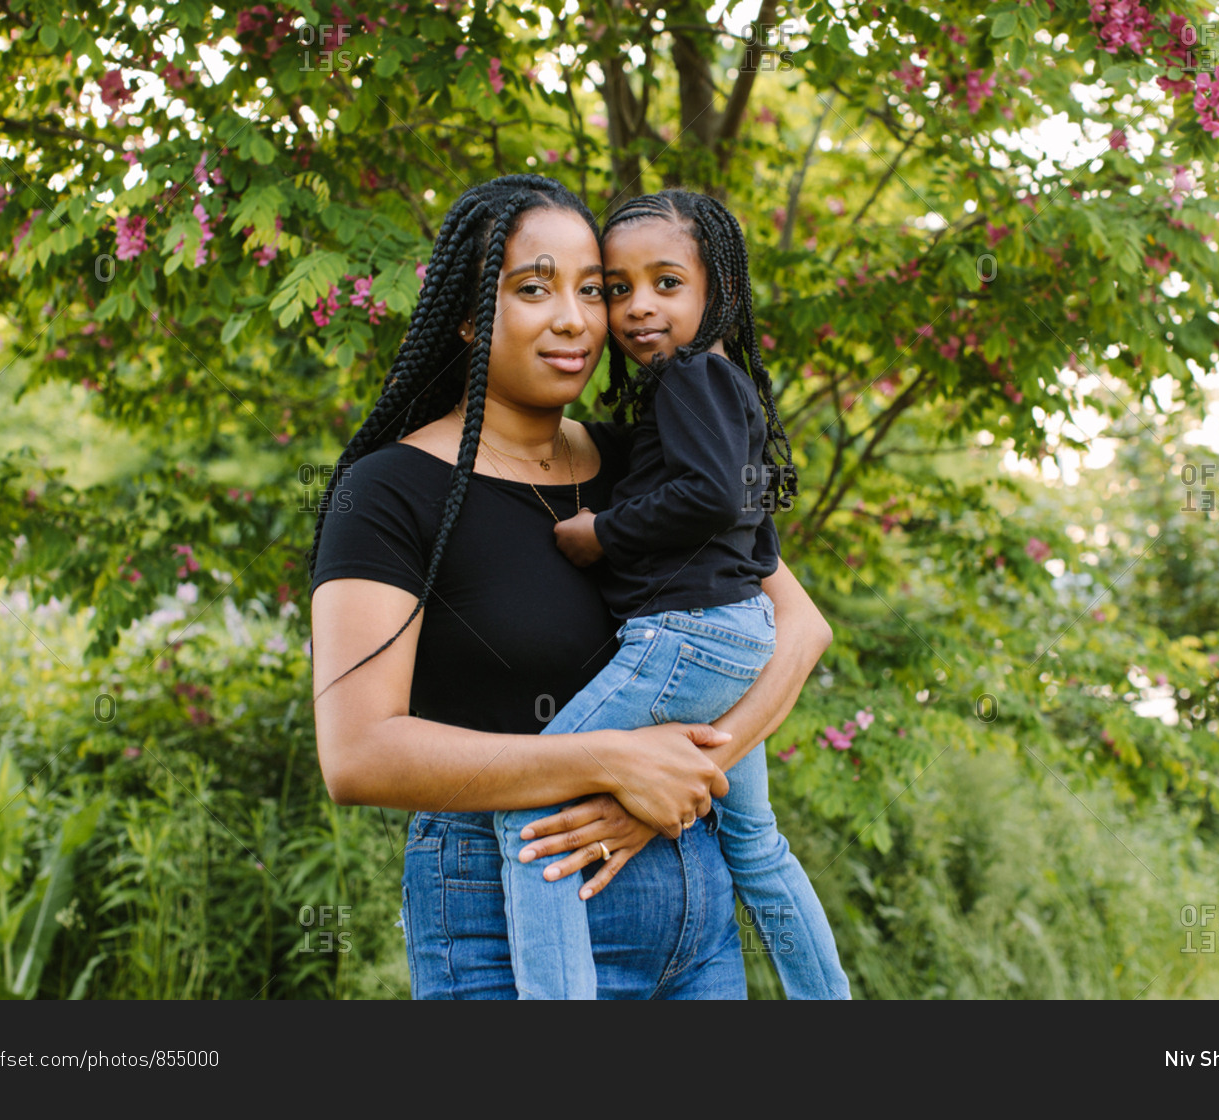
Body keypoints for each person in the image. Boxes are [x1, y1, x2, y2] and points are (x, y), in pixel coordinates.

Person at [308, 174, 835, 998]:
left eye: (593, 290)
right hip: (500, 917)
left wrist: (672, 781)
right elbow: (357, 754)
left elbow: (800, 631)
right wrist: (614, 764)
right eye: (534, 288)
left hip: (694, 926)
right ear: (470, 314)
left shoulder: (642, 463)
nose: (577, 318)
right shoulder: (391, 490)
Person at [493, 190, 851, 1000]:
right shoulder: (720, 386)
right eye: (617, 289)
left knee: (531, 812)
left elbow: (713, 496)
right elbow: (744, 518)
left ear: (715, 288)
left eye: (665, 283)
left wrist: (602, 533)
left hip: (685, 640)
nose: (638, 308)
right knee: (755, 841)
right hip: (737, 636)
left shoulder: (691, 376)